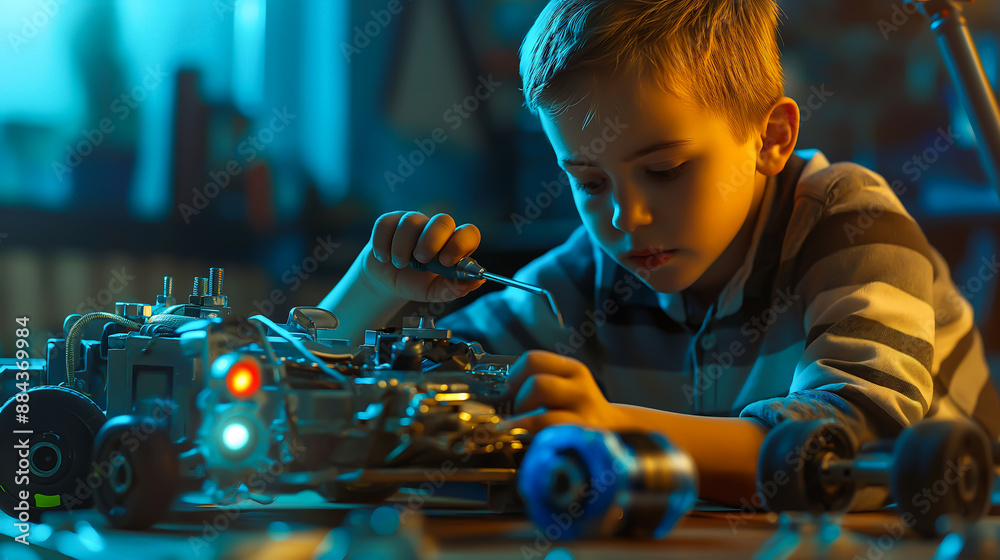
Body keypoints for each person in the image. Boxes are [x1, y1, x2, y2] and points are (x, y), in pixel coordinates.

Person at [320, 0, 999, 507]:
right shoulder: (590, 274)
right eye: (588, 181)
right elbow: (380, 422)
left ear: (771, 138)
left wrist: (613, 430)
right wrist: (368, 294)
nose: (624, 217)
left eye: (666, 170)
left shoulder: (853, 226)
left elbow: (858, 447)